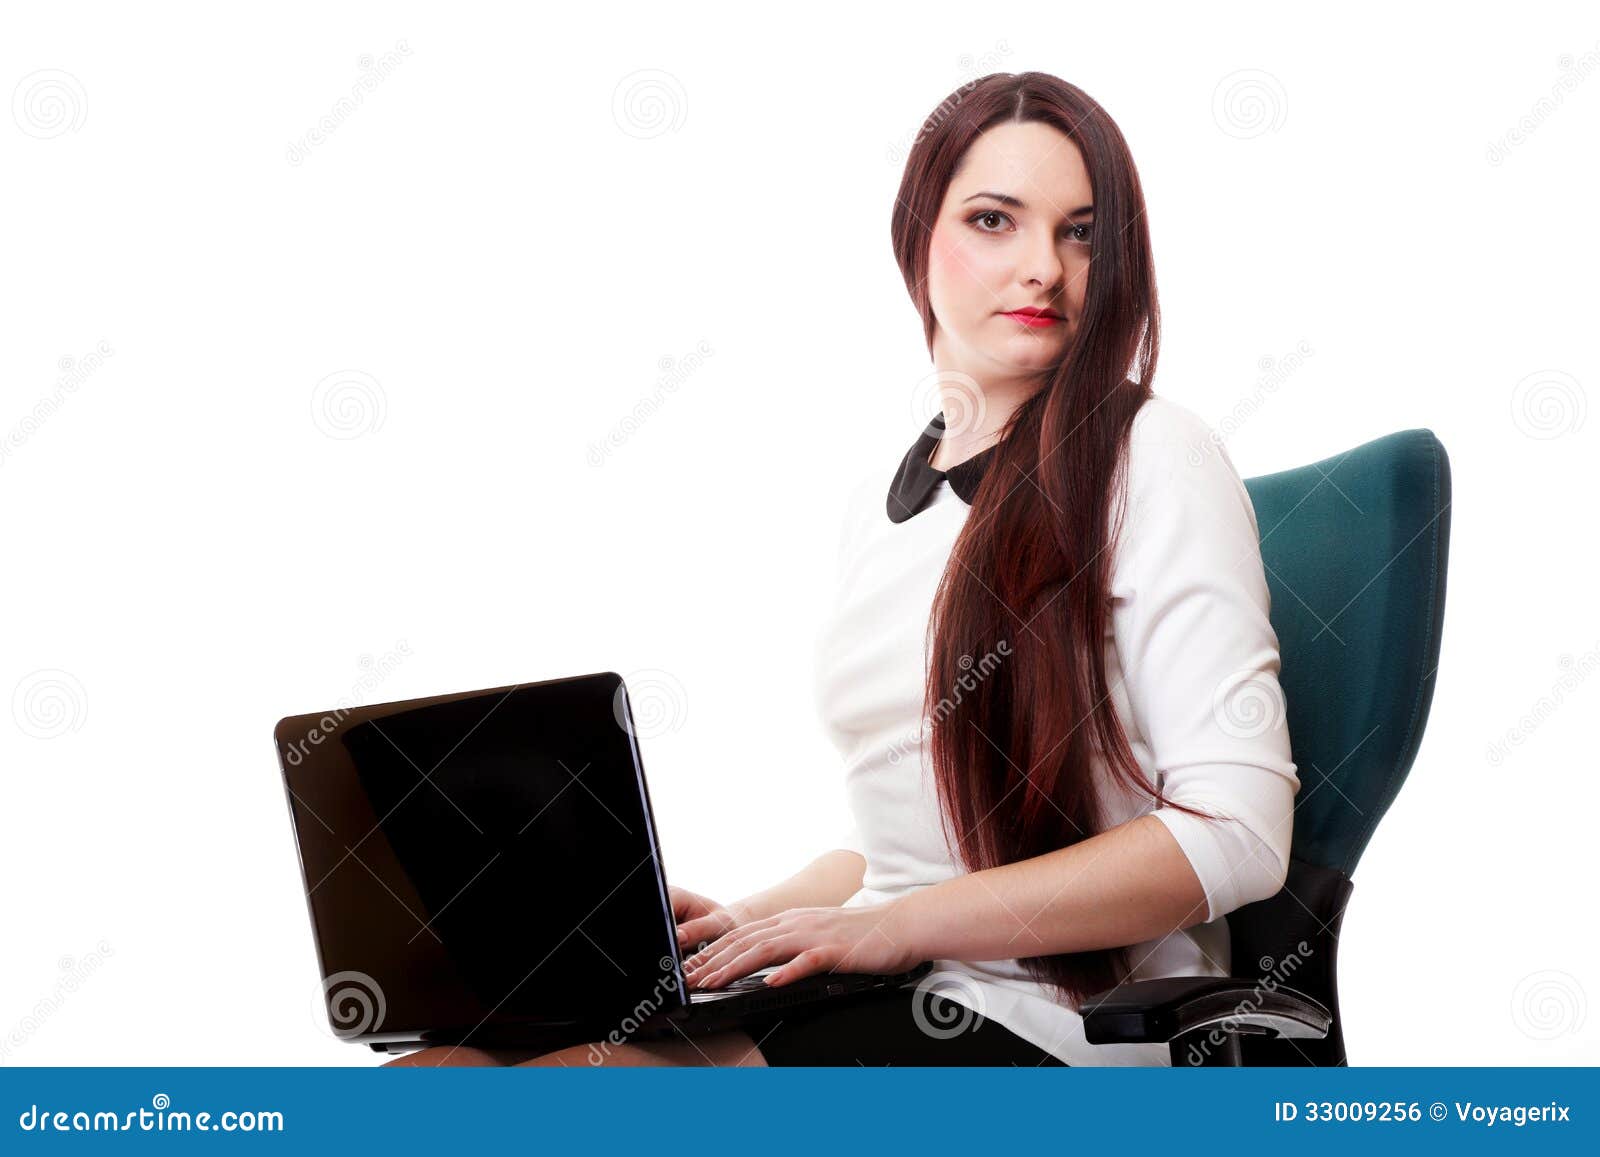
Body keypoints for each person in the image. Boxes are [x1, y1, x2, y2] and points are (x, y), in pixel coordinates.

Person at [387, 69, 1298, 1069]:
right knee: (441, 1068)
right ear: (916, 238)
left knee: (561, 1090)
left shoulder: (1153, 453)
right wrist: (753, 917)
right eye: (995, 220)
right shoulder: (879, 506)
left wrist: (897, 928)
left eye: (1081, 232)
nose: (1043, 266)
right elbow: (909, 854)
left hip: (1057, 1017)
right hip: (893, 979)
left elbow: (1238, 830)